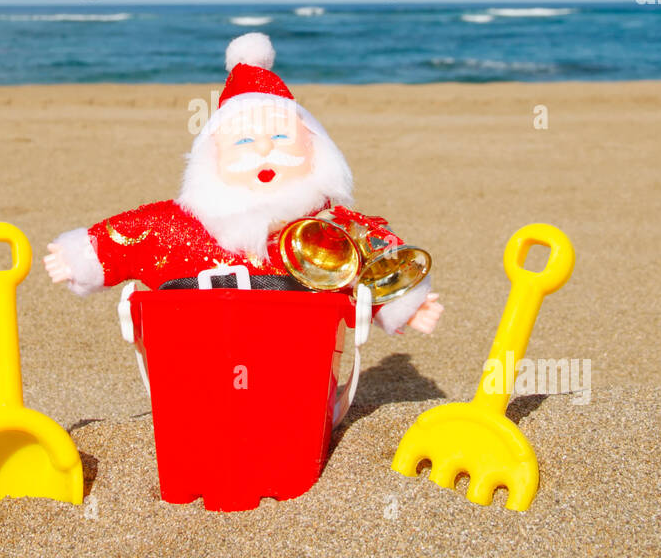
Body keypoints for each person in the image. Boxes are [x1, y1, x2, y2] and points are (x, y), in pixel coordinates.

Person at [45, 32, 443, 337]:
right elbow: (134, 234)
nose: (265, 150)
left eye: (282, 138)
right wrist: (84, 255)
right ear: (212, 157)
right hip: (203, 352)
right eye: (245, 141)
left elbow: (377, 258)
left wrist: (406, 302)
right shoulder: (182, 223)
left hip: (300, 355)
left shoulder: (332, 228)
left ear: (317, 151)